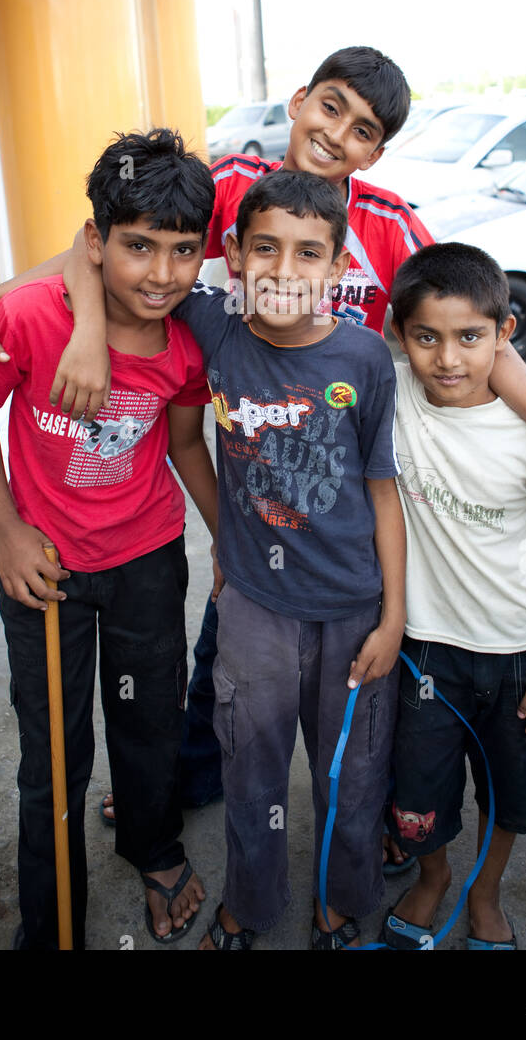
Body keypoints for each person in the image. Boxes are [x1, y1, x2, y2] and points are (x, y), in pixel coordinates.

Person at [0, 46, 526, 820]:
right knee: (225, 657)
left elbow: (464, 310)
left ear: (377, 152)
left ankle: (378, 817)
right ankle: (184, 787)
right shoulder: (228, 187)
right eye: (330, 107)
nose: (336, 135)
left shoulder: (387, 226)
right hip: (256, 487)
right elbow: (98, 246)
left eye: (362, 130)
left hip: (349, 491)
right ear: (298, 102)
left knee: (367, 677)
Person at [0, 129, 219, 949]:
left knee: (147, 724)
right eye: (139, 246)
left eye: (183, 250)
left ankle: (154, 848)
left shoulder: (189, 343)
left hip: (147, 559)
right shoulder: (32, 318)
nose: (163, 274)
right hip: (45, 570)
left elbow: (182, 442)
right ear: (97, 243)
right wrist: (5, 528)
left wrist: (230, 542)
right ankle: (52, 907)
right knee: (53, 750)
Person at [172, 169, 406, 948]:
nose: (283, 270)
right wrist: (226, 542)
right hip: (253, 611)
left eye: (310, 253)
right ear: (232, 255)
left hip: (352, 611)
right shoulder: (215, 330)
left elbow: (382, 493)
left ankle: (340, 903)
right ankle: (250, 904)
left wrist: (394, 619)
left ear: (340, 268)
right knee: (252, 769)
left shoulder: (366, 360)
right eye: (264, 248)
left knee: (354, 772)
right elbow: (103, 257)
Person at [383, 242, 526, 950]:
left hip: (521, 651)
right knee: (417, 794)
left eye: (471, 337)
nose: (448, 359)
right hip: (428, 650)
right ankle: (433, 878)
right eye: (426, 337)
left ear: (505, 335)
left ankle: (486, 892)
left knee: (508, 790)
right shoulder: (394, 389)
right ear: (398, 336)